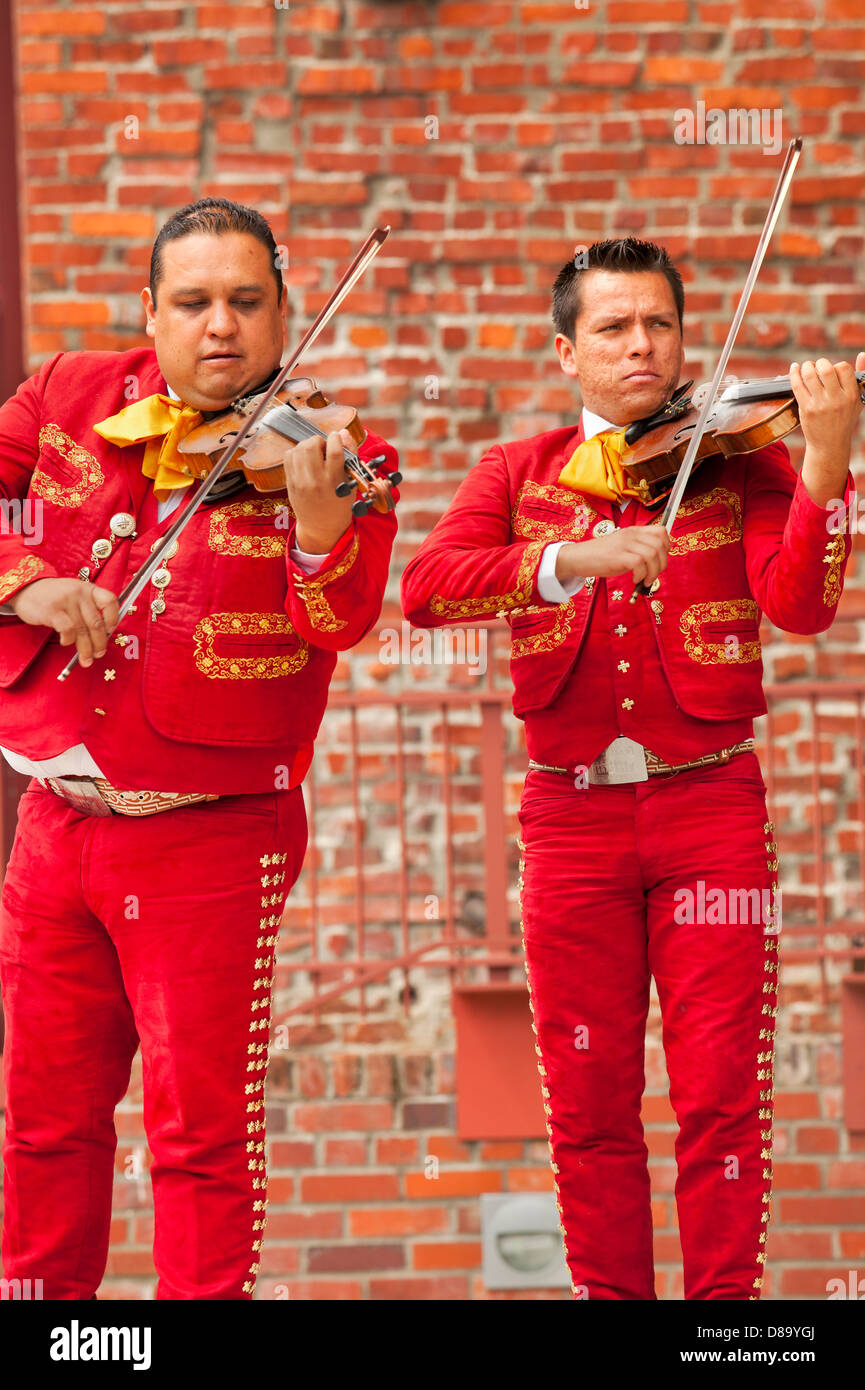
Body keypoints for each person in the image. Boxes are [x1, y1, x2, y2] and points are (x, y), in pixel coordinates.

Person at [401, 237, 863, 1301]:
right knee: (588, 1097)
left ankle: (723, 1321)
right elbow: (426, 588)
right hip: (566, 823)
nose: (640, 346)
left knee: (719, 1094)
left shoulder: (742, 456)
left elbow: (798, 606)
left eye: (658, 323)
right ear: (567, 351)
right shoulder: (517, 470)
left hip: (709, 802)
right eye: (611, 327)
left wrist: (827, 464)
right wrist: (566, 562)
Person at [0, 198, 399, 1300]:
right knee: (42, 1127)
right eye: (193, 303)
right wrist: (28, 584)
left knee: (199, 1136)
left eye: (245, 301)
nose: (219, 326)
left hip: (211, 835)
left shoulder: (338, 451)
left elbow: (344, 616)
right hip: (50, 824)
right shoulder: (67, 394)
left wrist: (316, 530)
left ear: (284, 311)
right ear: (151, 310)